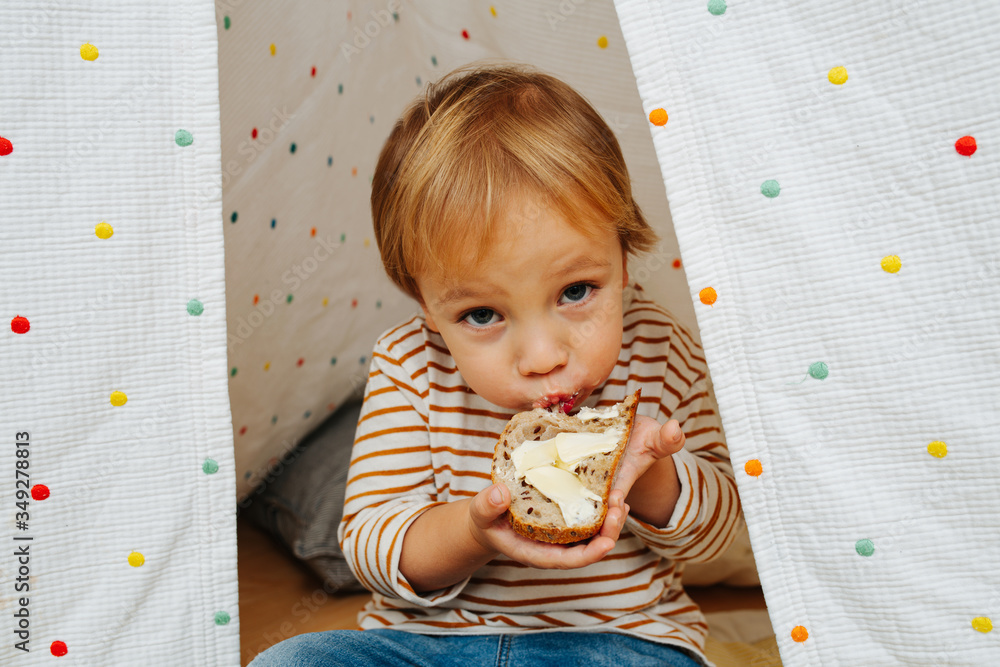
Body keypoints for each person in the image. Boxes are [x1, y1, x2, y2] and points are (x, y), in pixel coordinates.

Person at [251, 63, 740, 667]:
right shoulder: (408, 365)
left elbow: (720, 535)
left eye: (576, 291)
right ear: (426, 306)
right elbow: (372, 546)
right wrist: (472, 533)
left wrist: (654, 476)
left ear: (624, 253)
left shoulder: (661, 348)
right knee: (294, 660)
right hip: (426, 644)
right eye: (483, 315)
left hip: (618, 642)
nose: (542, 357)